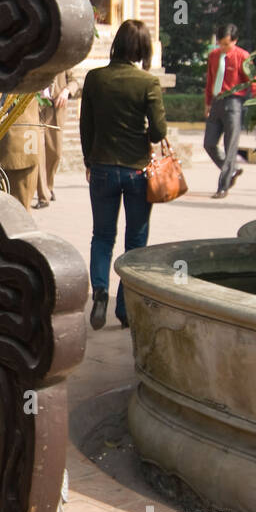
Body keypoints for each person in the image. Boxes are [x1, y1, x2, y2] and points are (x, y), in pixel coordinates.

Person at [80, 19, 167, 329]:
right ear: (143, 49)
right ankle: (126, 307)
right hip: (137, 172)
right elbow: (158, 132)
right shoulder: (147, 83)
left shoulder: (95, 78)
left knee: (102, 236)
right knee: (135, 241)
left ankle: (100, 292)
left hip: (102, 168)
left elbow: (85, 126)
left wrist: (89, 161)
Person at [203, 23, 256, 198]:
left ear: (235, 41)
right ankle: (232, 170)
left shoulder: (243, 56)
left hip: (234, 103)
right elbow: (210, 80)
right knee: (209, 143)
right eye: (221, 43)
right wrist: (207, 103)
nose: (223, 47)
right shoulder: (213, 56)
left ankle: (223, 186)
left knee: (230, 147)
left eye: (227, 44)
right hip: (216, 101)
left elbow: (253, 81)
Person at [34, 69, 80, 208]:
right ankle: (43, 196)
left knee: (55, 152)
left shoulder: (62, 58)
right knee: (38, 153)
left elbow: (74, 82)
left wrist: (66, 91)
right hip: (36, 106)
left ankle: (48, 185)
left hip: (55, 108)